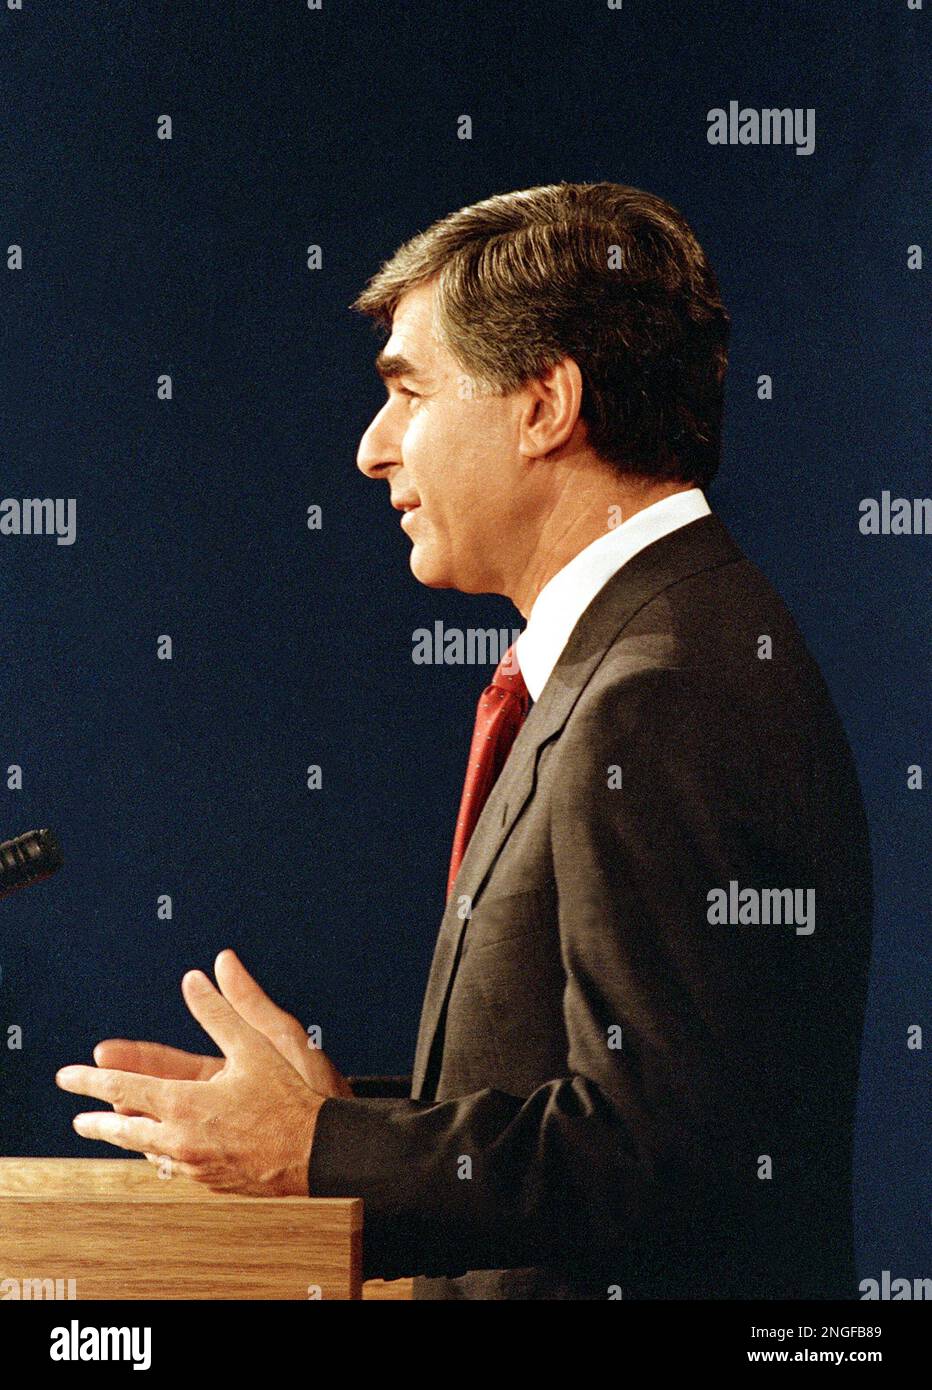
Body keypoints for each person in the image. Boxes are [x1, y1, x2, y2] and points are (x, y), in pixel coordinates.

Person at [57, 182, 873, 1300]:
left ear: (544, 404)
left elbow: (664, 1157)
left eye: (407, 391)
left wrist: (320, 1151)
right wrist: (337, 1118)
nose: (370, 450)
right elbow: (593, 1096)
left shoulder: (660, 690)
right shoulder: (640, 651)